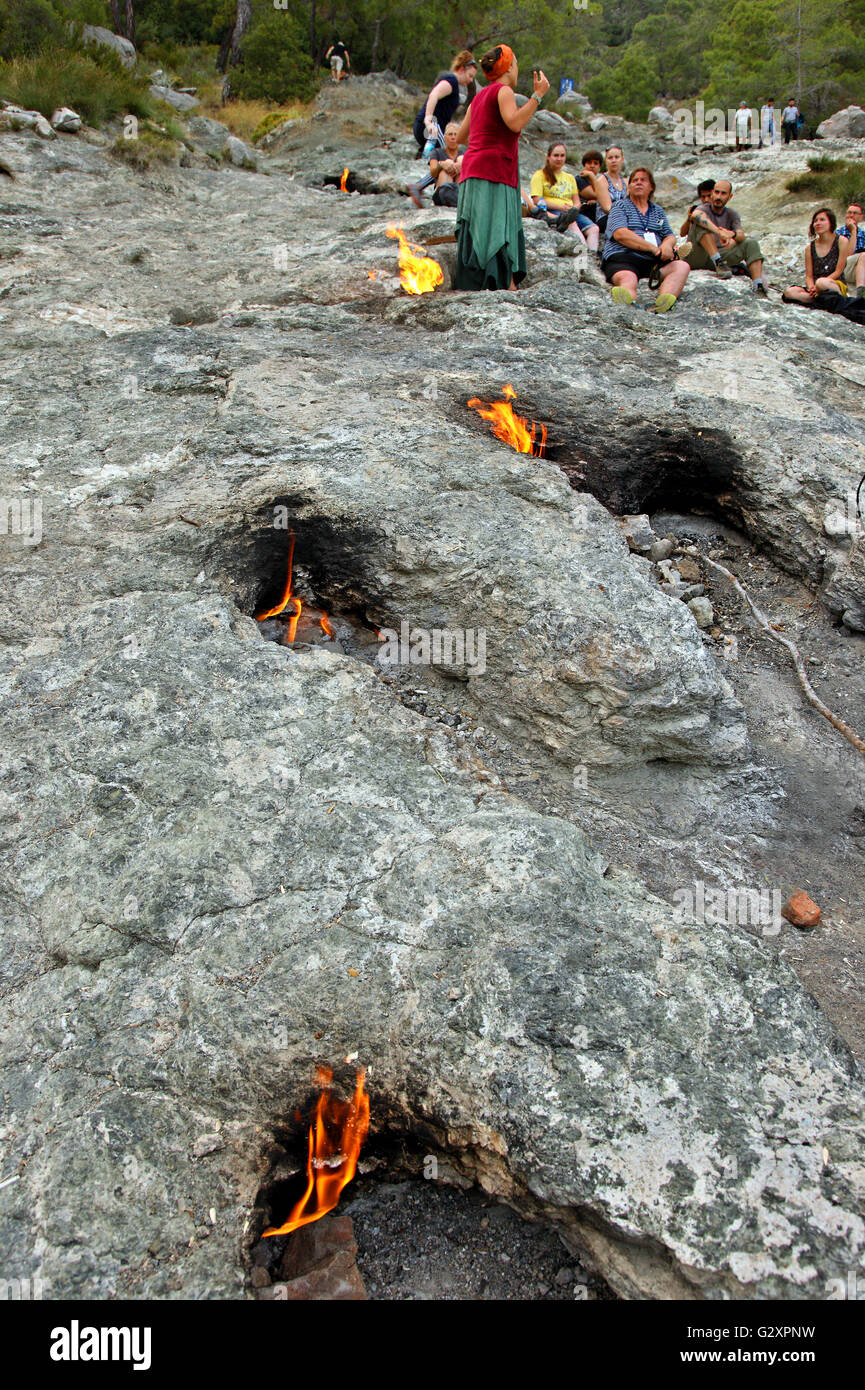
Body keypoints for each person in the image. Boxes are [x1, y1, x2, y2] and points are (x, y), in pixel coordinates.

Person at [452, 44, 550, 291]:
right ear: (508, 67)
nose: (517, 70)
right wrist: (537, 96)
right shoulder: (503, 91)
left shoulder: (479, 97)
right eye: (516, 64)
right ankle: (506, 284)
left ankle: (477, 283)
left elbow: (462, 136)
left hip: (472, 171)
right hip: (495, 171)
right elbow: (514, 123)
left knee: (478, 228)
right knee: (497, 227)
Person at [601, 167, 690, 312]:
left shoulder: (657, 211)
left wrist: (667, 245)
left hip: (653, 261)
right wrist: (652, 248)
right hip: (624, 257)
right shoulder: (619, 206)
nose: (638, 183)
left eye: (643, 180)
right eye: (634, 180)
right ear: (629, 187)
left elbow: (669, 234)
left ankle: (663, 302)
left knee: (682, 266)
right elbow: (620, 234)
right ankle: (628, 302)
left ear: (651, 187)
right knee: (628, 279)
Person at [681, 179, 770, 294]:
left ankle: (758, 286)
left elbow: (741, 235)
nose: (718, 196)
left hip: (719, 255)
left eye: (723, 193)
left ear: (730, 196)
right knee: (702, 224)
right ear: (712, 193)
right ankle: (718, 262)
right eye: (716, 192)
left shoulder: (732, 214)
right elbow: (697, 216)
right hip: (697, 255)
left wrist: (732, 235)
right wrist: (719, 232)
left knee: (751, 244)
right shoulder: (702, 209)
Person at [529, 142, 599, 249]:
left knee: (594, 229)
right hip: (552, 211)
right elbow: (537, 199)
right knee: (572, 223)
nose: (559, 159)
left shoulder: (570, 177)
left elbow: (577, 201)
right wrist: (561, 207)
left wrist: (574, 208)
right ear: (548, 157)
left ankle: (592, 254)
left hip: (571, 211)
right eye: (556, 155)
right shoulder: (540, 175)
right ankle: (584, 254)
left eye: (562, 155)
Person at [413, 51, 477, 158]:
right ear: (461, 69)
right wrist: (428, 119)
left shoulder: (454, 84)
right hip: (431, 129)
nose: (471, 80)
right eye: (470, 76)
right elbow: (434, 94)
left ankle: (425, 157)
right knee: (448, 155)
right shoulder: (451, 81)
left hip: (435, 130)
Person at [782, 208, 849, 304]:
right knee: (789, 292)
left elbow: (839, 271)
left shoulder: (841, 241)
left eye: (822, 220)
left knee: (822, 282)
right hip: (816, 289)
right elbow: (809, 276)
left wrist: (818, 286)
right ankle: (819, 300)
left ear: (831, 223)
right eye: (815, 221)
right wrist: (811, 288)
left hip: (833, 283)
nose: (818, 223)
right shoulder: (810, 248)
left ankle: (830, 299)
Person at [428, 123, 463, 207]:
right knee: (445, 173)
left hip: (459, 189)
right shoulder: (436, 152)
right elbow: (432, 171)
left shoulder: (464, 152)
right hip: (441, 192)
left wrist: (461, 166)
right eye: (450, 134)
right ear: (444, 137)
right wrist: (442, 165)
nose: (453, 137)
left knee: (462, 161)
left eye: (456, 134)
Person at [594, 145, 627, 232]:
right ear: (606, 161)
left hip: (624, 217)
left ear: (622, 159)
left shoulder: (625, 181)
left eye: (617, 157)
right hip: (606, 218)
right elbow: (607, 208)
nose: (614, 160)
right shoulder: (602, 180)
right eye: (610, 158)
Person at [840, 199, 865, 297]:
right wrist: (853, 231)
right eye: (849, 212)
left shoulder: (863, 234)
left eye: (855, 213)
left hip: (859, 269)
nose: (851, 215)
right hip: (844, 267)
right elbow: (848, 255)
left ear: (861, 217)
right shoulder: (839, 233)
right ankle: (861, 290)